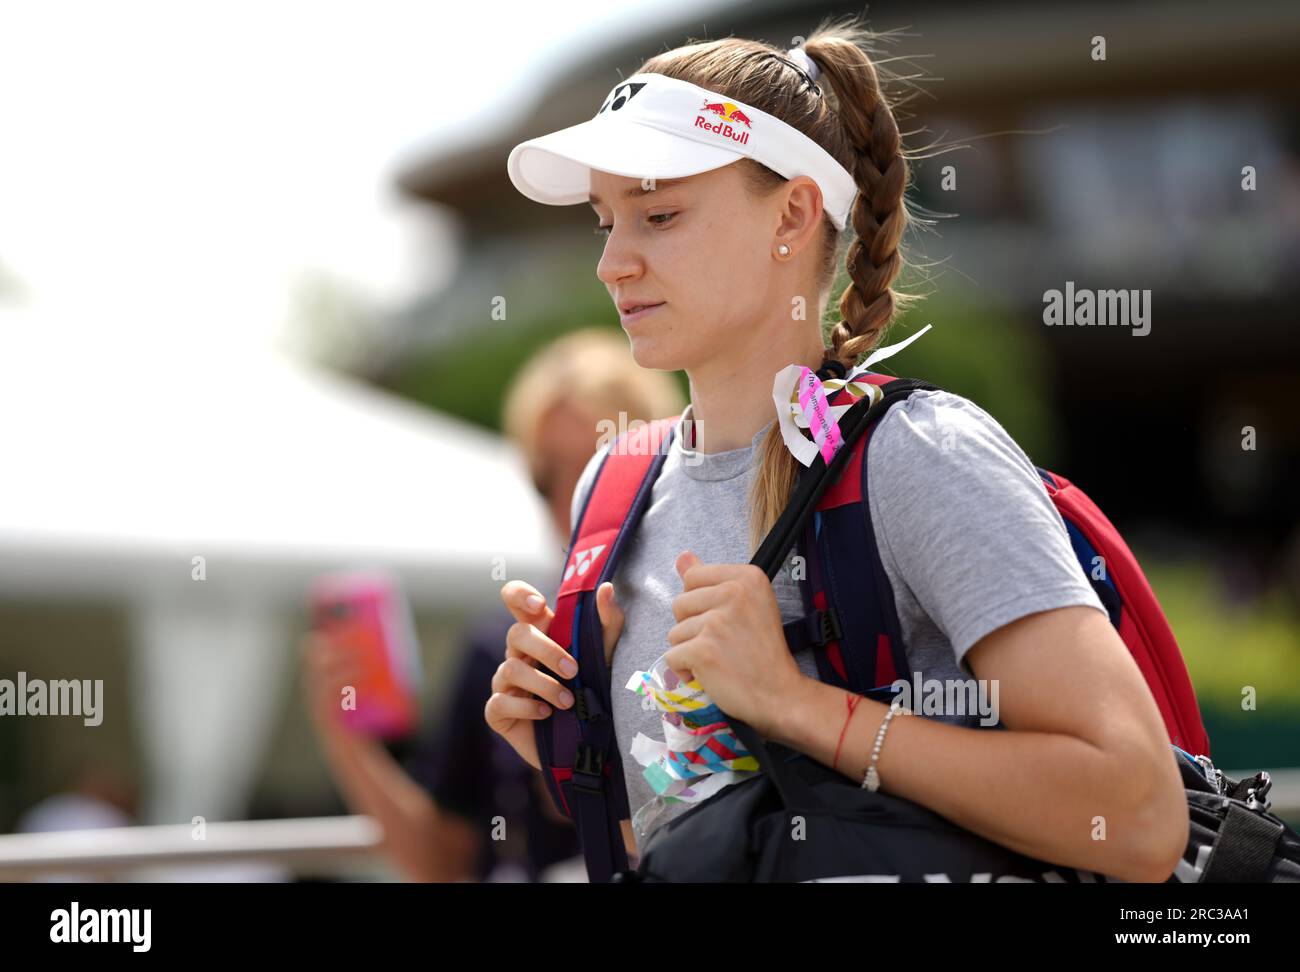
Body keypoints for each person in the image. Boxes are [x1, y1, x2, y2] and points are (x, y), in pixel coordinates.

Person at [488, 16, 1190, 882]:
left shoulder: (923, 456)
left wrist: (795, 705)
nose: (613, 263)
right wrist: (568, 745)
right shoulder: (614, 482)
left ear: (792, 212)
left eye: (659, 213)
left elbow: (1136, 813)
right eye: (605, 222)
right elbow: (722, 843)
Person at [303, 327, 683, 881]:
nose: (571, 494)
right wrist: (345, 738)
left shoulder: (689, 620)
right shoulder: (500, 646)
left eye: (598, 466)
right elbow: (441, 861)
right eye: (546, 474)